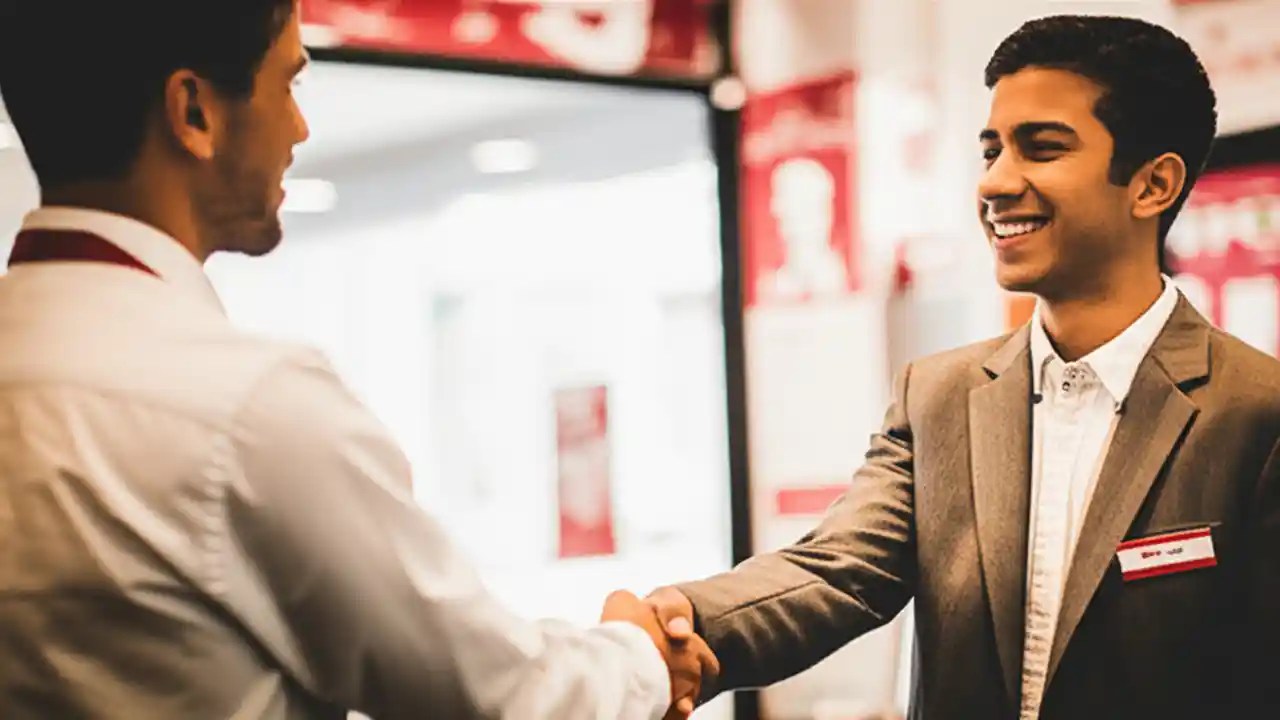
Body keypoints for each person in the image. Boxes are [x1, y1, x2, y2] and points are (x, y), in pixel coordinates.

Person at [0, 2, 716, 718]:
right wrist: (641, 655)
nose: (300, 129)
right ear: (193, 111)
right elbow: (501, 700)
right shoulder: (245, 406)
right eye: (290, 86)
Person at [641, 14, 1280, 719]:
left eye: (1041, 149)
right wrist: (676, 626)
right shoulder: (937, 395)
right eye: (990, 151)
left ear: (1152, 185)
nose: (997, 183)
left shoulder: (1256, 413)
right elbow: (836, 573)